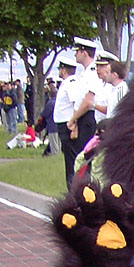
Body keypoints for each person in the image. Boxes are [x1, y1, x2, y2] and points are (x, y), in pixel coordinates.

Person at [65, 38, 101, 187]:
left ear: (84, 52)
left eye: (77, 52)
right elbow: (79, 101)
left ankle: (87, 191)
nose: (75, 56)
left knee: (87, 158)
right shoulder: (85, 73)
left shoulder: (92, 72)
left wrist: (73, 119)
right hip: (82, 119)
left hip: (88, 118)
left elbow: (88, 102)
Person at [52, 54, 81, 185]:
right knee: (68, 158)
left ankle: (73, 187)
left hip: (68, 125)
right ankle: (71, 185)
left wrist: (74, 124)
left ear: (63, 70)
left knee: (71, 159)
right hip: (64, 124)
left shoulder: (71, 83)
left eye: (60, 69)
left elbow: (76, 103)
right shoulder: (66, 83)